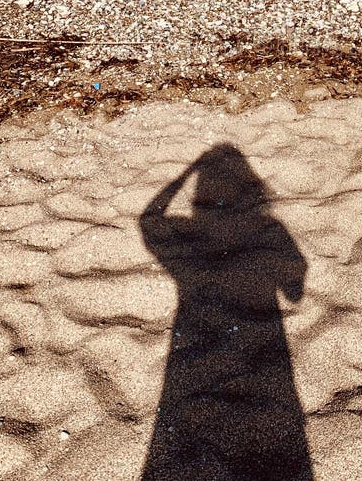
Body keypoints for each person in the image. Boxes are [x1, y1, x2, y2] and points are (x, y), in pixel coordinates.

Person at [140, 144, 313, 480]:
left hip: (193, 346)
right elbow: (295, 292)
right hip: (267, 358)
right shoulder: (269, 228)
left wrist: (182, 176)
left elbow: (149, 220)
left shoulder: (187, 231)